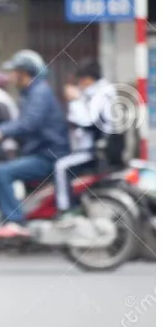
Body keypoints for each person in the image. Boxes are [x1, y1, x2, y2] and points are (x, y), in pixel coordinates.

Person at [0, 49, 71, 239]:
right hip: (40, 151)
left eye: (14, 71)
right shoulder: (32, 93)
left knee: (3, 173)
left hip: (48, 155)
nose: (11, 76)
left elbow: (29, 123)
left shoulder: (39, 93)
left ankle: (15, 221)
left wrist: (1, 131)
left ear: (24, 73)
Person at [54, 59, 116, 225]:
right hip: (101, 147)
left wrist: (75, 101)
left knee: (61, 166)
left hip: (96, 150)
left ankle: (66, 209)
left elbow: (87, 122)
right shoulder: (105, 91)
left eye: (80, 81)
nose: (79, 85)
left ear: (88, 79)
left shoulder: (100, 94)